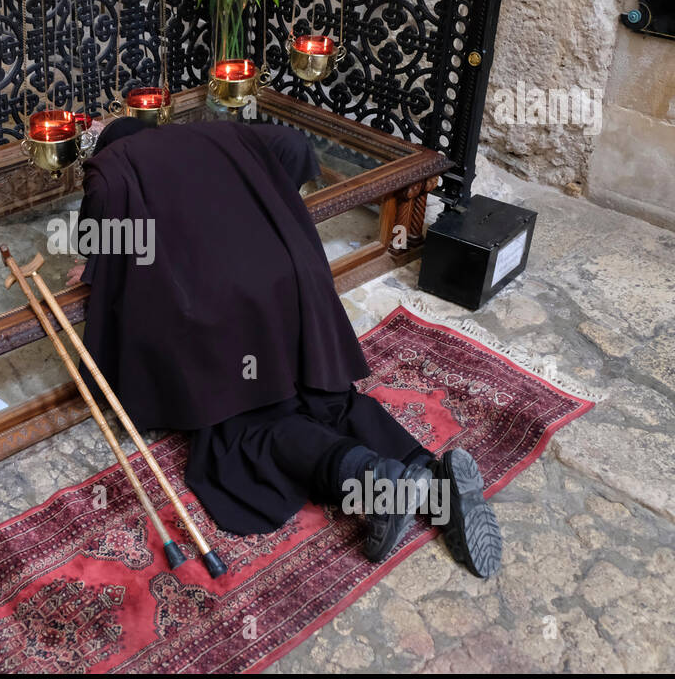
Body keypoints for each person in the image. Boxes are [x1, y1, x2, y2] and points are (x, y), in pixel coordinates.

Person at [68, 114, 501, 577]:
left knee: (244, 431)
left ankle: (374, 482)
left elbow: (105, 227)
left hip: (224, 304)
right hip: (292, 277)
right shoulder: (216, 128)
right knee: (326, 398)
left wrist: (94, 267)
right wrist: (263, 203)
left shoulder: (110, 164)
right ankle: (432, 478)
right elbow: (294, 146)